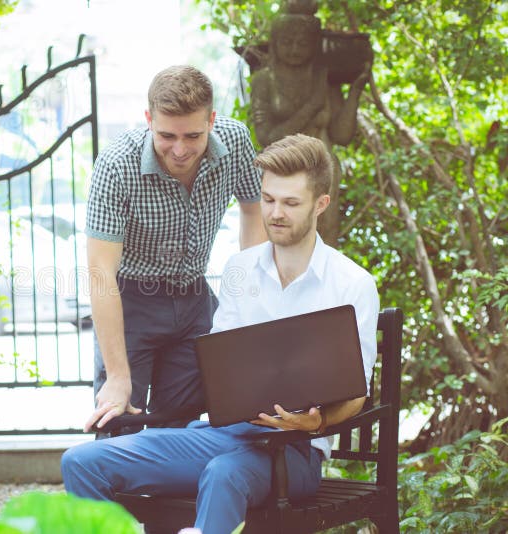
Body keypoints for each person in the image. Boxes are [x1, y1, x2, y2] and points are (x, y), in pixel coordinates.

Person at [62, 134, 380, 534]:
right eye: (268, 199)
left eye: (291, 203)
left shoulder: (352, 284)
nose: (276, 213)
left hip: (295, 453)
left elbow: (355, 394)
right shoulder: (240, 269)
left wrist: (314, 423)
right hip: (222, 434)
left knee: (224, 473)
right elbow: (221, 365)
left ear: (320, 204)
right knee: (82, 462)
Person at [84, 65, 266, 434]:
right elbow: (101, 274)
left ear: (212, 120)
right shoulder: (117, 165)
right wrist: (118, 376)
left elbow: (254, 206)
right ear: (149, 119)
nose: (180, 150)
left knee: (177, 433)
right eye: (166, 135)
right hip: (132, 302)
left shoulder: (235, 142)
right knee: (119, 424)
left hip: (195, 300)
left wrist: (251, 290)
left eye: (193, 135)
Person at [249, 0, 370, 244]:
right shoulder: (265, 80)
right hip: (279, 173)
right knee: (279, 242)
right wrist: (311, 107)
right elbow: (267, 137)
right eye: (287, 42)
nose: (294, 49)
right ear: (275, 43)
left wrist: (355, 93)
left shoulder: (324, 79)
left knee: (323, 246)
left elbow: (342, 135)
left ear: (315, 44)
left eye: (303, 43)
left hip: (322, 174)